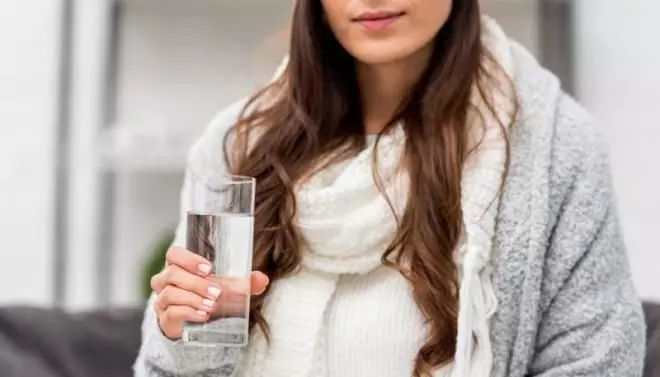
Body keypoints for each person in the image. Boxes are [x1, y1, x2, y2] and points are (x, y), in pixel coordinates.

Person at [133, 0, 646, 376]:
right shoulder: (237, 144)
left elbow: (596, 363)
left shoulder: (553, 150)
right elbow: (169, 367)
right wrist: (183, 331)